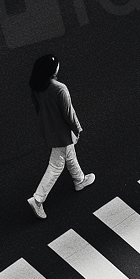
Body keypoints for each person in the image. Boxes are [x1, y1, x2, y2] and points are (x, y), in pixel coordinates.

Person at [27, 55, 94, 219]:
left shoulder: (36, 86)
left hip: (49, 128)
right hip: (62, 132)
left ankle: (79, 180)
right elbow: (69, 113)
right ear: (52, 71)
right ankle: (38, 199)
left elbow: (38, 109)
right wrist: (77, 128)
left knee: (69, 154)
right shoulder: (59, 88)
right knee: (56, 165)